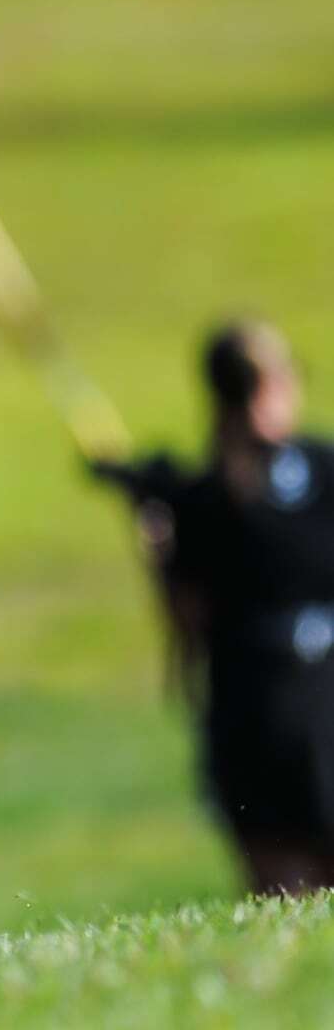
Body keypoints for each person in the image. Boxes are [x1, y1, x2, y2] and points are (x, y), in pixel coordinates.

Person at [90, 321, 334, 896]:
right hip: (295, 705)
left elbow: (187, 619)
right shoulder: (308, 475)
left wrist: (161, 546)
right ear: (271, 384)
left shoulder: (202, 496)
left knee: (286, 895)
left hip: (267, 707)